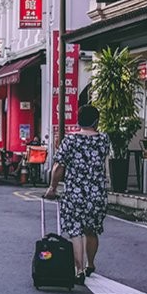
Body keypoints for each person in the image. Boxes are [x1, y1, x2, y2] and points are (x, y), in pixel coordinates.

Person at [44, 105, 111, 280]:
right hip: (97, 194)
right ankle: (91, 264)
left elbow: (58, 166)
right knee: (91, 230)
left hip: (75, 193)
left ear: (78, 119)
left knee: (75, 231)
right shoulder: (103, 139)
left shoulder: (70, 140)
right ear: (97, 121)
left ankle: (79, 269)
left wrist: (52, 188)